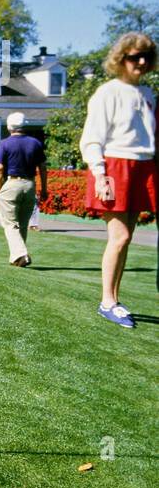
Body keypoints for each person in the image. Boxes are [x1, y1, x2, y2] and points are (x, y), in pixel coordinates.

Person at [79, 31, 157, 328]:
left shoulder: (147, 93)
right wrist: (99, 173)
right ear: (120, 59)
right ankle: (107, 301)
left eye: (146, 57)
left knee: (128, 238)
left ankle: (115, 298)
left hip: (143, 166)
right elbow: (92, 138)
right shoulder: (108, 92)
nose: (140, 61)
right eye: (133, 56)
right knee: (119, 237)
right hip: (114, 166)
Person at [0, 112, 48, 268]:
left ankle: (21, 254)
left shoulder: (4, 144)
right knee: (22, 223)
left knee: (10, 223)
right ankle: (17, 258)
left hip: (12, 183)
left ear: (9, 126)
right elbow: (43, 168)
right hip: (30, 184)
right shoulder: (35, 143)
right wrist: (44, 188)